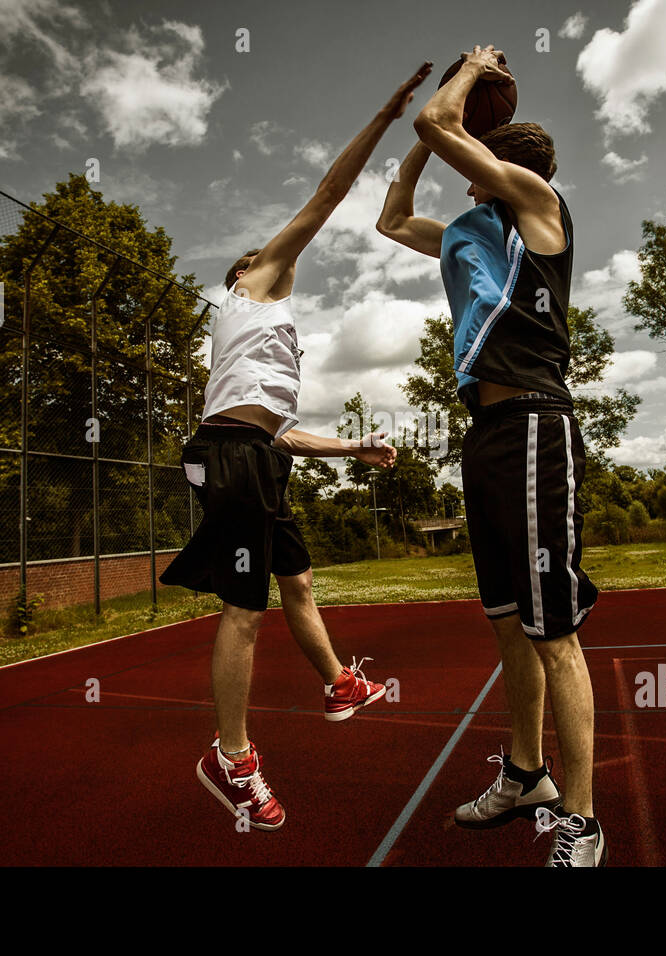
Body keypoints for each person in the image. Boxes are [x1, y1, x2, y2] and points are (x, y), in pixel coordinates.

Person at [161, 62, 434, 831]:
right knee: (243, 613)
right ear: (245, 272)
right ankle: (231, 756)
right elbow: (326, 196)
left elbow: (285, 432)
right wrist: (385, 116)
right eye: (262, 255)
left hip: (260, 456)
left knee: (300, 584)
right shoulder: (254, 286)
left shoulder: (268, 338)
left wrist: (355, 450)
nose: (277, 257)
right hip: (231, 455)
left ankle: (340, 683)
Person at [377, 46, 602, 866]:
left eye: (472, 151)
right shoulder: (467, 235)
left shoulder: (539, 206)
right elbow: (392, 219)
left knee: (553, 634)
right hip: (485, 437)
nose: (456, 162)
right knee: (510, 628)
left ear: (497, 161)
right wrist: (427, 139)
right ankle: (527, 774)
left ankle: (580, 819)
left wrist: (466, 77)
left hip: (538, 424)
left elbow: (438, 122)